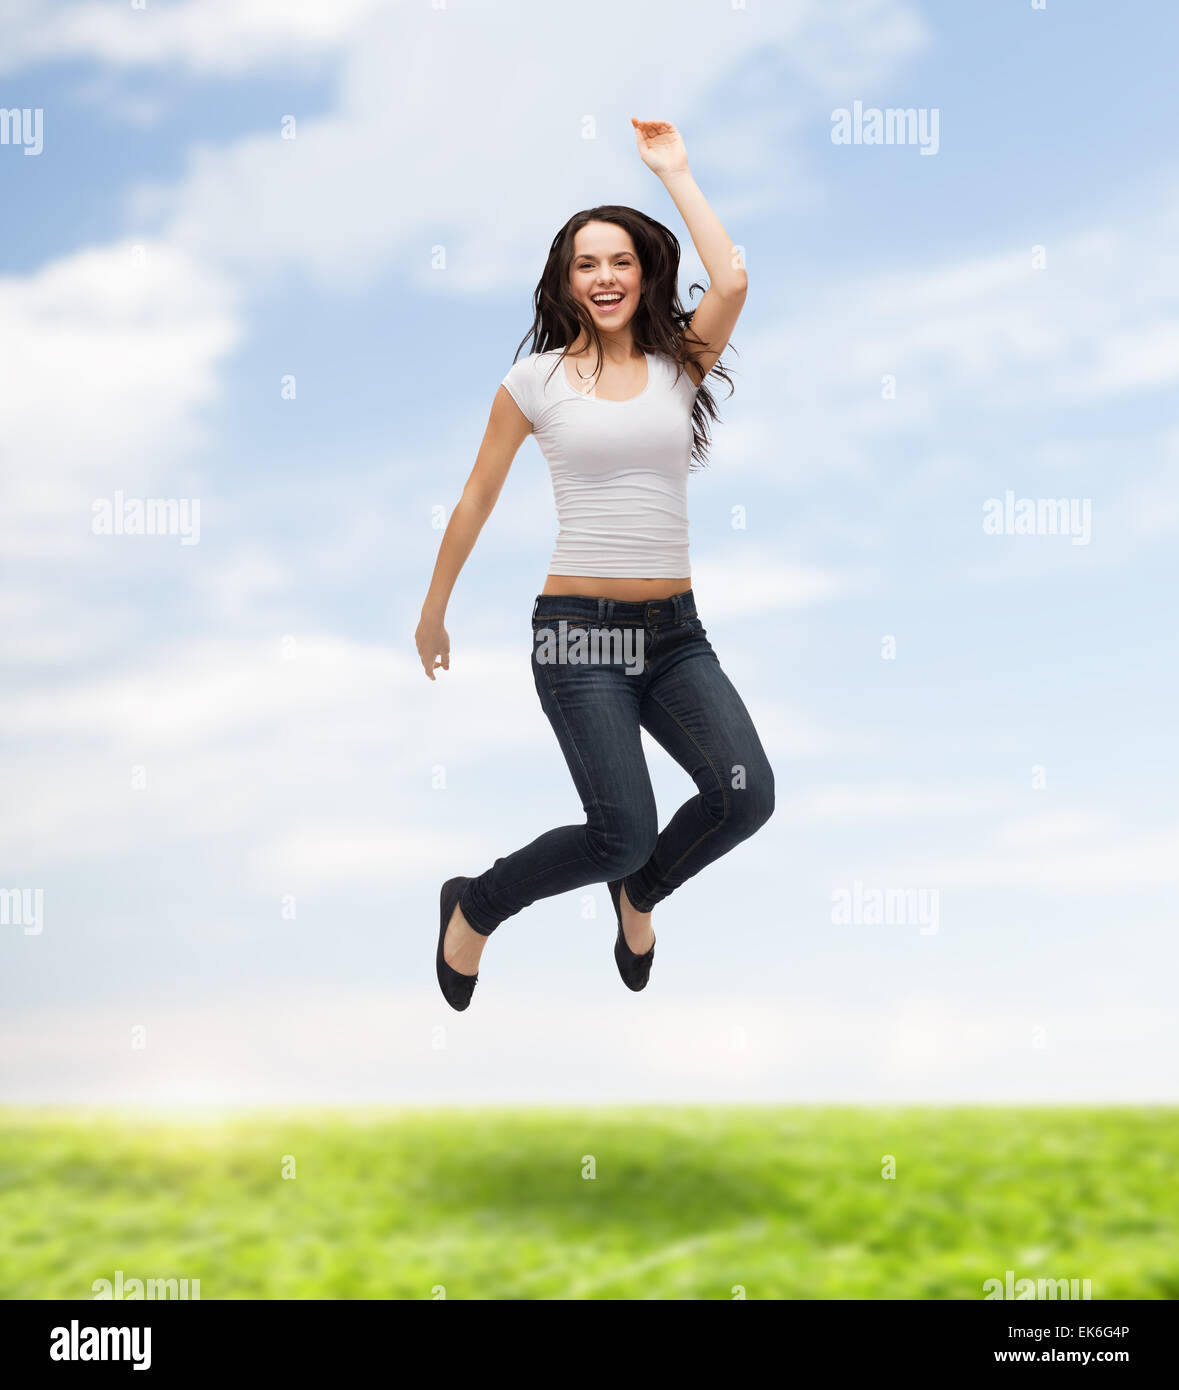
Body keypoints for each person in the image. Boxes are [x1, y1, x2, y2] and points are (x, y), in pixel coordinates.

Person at [416, 118, 775, 1011]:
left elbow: (729, 276)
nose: (605, 277)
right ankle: (475, 903)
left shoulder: (677, 362)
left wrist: (675, 170)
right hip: (578, 637)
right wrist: (433, 610)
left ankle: (640, 894)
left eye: (620, 260)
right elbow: (475, 497)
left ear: (643, 271)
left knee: (744, 797)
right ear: (564, 281)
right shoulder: (534, 380)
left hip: (675, 633)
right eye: (586, 264)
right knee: (620, 831)